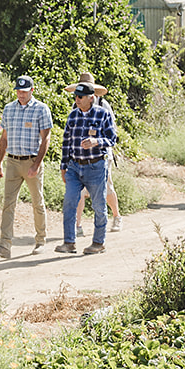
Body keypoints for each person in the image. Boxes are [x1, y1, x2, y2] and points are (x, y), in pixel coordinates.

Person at [0, 75, 53, 258]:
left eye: (25, 92)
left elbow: (46, 139)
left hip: (31, 161)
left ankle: (41, 241)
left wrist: (36, 165)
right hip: (12, 161)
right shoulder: (9, 109)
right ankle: (4, 245)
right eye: (19, 91)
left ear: (32, 91)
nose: (21, 95)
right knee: (8, 204)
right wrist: (0, 163)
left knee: (37, 202)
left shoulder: (41, 109)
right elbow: (4, 138)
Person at [57, 79, 117, 256]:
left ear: (91, 98)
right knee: (69, 202)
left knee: (98, 205)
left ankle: (98, 242)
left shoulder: (102, 114)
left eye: (81, 96)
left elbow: (112, 139)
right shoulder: (73, 116)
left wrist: (96, 141)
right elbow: (66, 142)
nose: (77, 99)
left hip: (96, 166)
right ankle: (69, 242)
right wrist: (63, 166)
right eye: (76, 96)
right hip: (75, 167)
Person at [66, 72, 123, 234]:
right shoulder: (75, 106)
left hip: (102, 154)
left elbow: (112, 134)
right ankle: (78, 226)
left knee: (106, 188)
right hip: (81, 155)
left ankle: (117, 216)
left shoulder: (104, 106)